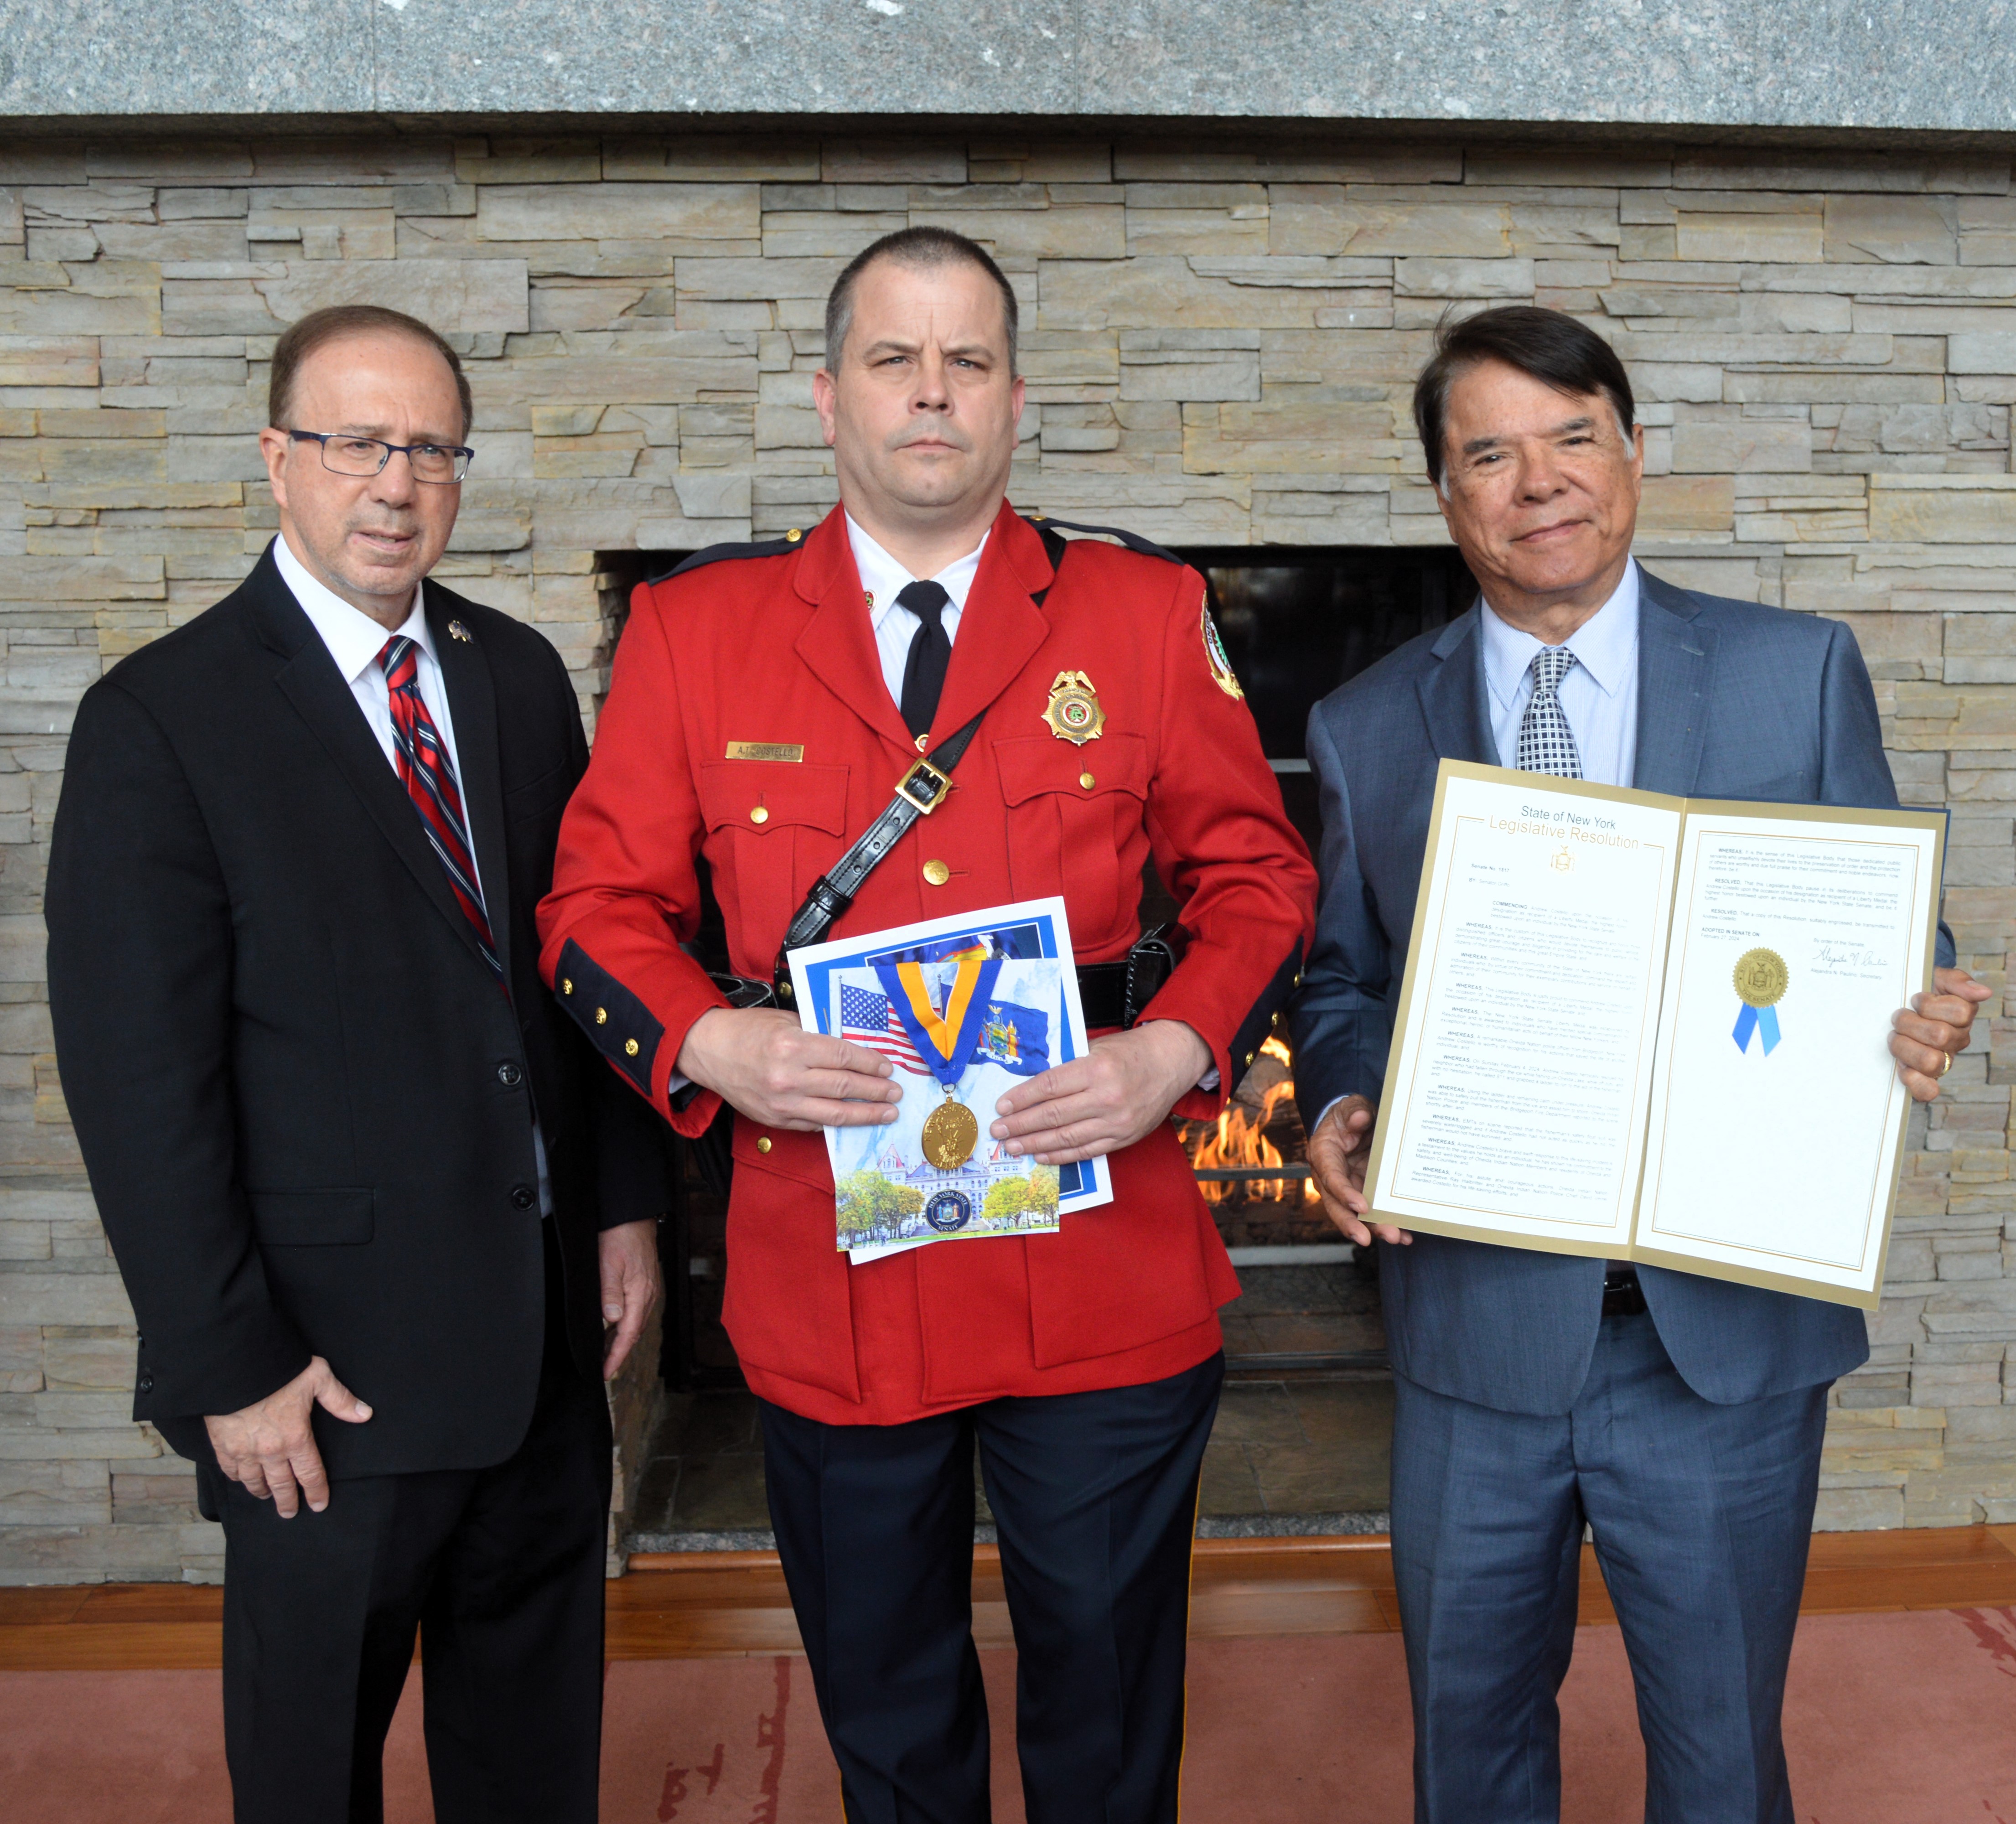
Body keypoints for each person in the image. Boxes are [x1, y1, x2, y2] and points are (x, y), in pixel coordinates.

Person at [538, 225, 1316, 1822]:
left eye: (968, 361)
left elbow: (1260, 879)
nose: (932, 394)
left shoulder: (1147, 614)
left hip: (1097, 1256)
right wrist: (711, 1042)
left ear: (1016, 401)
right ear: (829, 398)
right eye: (895, 360)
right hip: (833, 1270)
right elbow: (592, 914)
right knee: (888, 1717)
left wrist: (1171, 1053)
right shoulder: (699, 634)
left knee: (1106, 1716)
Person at [1290, 303, 1990, 1823]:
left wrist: (1925, 1001)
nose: (1539, 481)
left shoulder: (1793, 674)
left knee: (1725, 1759)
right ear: (1444, 493)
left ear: (1634, 455)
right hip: (1478, 1329)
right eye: (1491, 452)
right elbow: (1340, 979)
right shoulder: (1365, 729)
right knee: (1467, 1754)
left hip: (1718, 1339)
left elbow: (1890, 935)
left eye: (1572, 437)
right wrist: (1342, 1100)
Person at [45, 304, 668, 1824]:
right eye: (357, 444)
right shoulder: (159, 719)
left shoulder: (517, 677)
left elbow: (581, 967)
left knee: (534, 1768)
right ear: (278, 460)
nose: (396, 484)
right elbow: (140, 1085)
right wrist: (230, 1364)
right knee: (314, 1778)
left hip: (535, 1358)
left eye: (432, 450)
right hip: (322, 1390)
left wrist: (625, 1206)